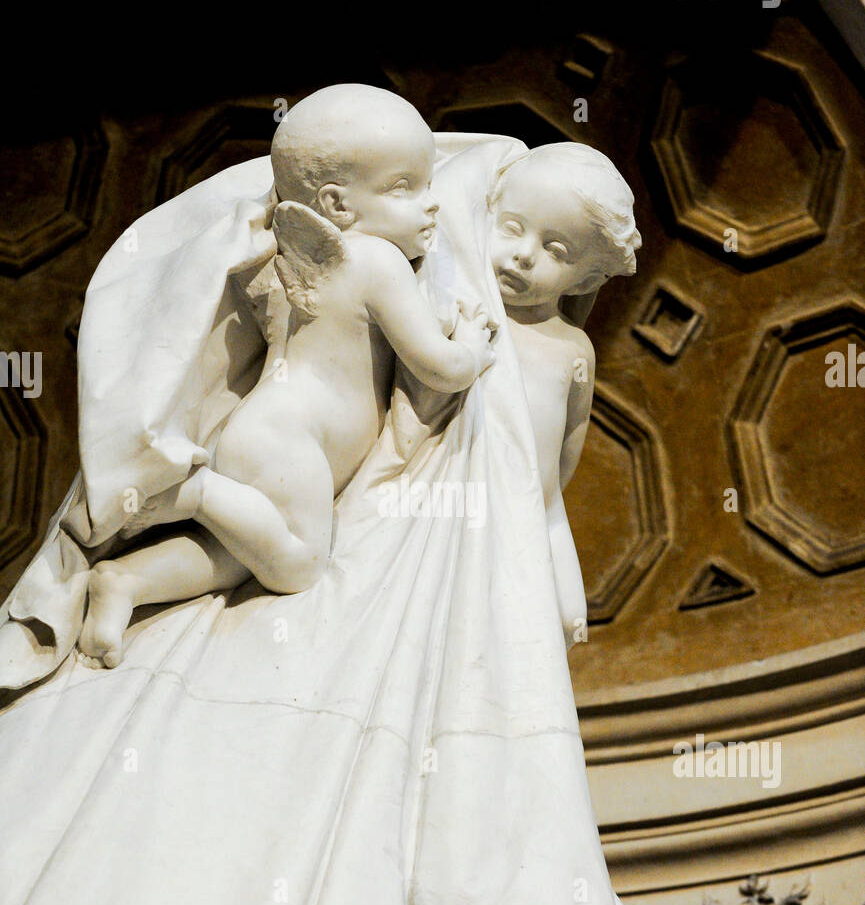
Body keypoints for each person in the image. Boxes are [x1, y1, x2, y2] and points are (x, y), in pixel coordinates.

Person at [77, 85, 495, 667]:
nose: (433, 205)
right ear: (337, 205)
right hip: (290, 440)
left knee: (245, 551)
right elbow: (440, 367)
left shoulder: (292, 256)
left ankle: (126, 583)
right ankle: (193, 491)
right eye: (407, 188)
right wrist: (473, 345)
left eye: (430, 184)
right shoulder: (375, 261)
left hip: (265, 432)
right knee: (298, 566)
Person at [488, 141, 640, 647]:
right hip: (447, 509)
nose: (523, 254)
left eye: (557, 251)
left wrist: (563, 572)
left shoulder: (571, 349)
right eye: (511, 227)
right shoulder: (456, 311)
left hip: (526, 519)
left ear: (588, 279)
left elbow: (555, 482)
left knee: (553, 632)